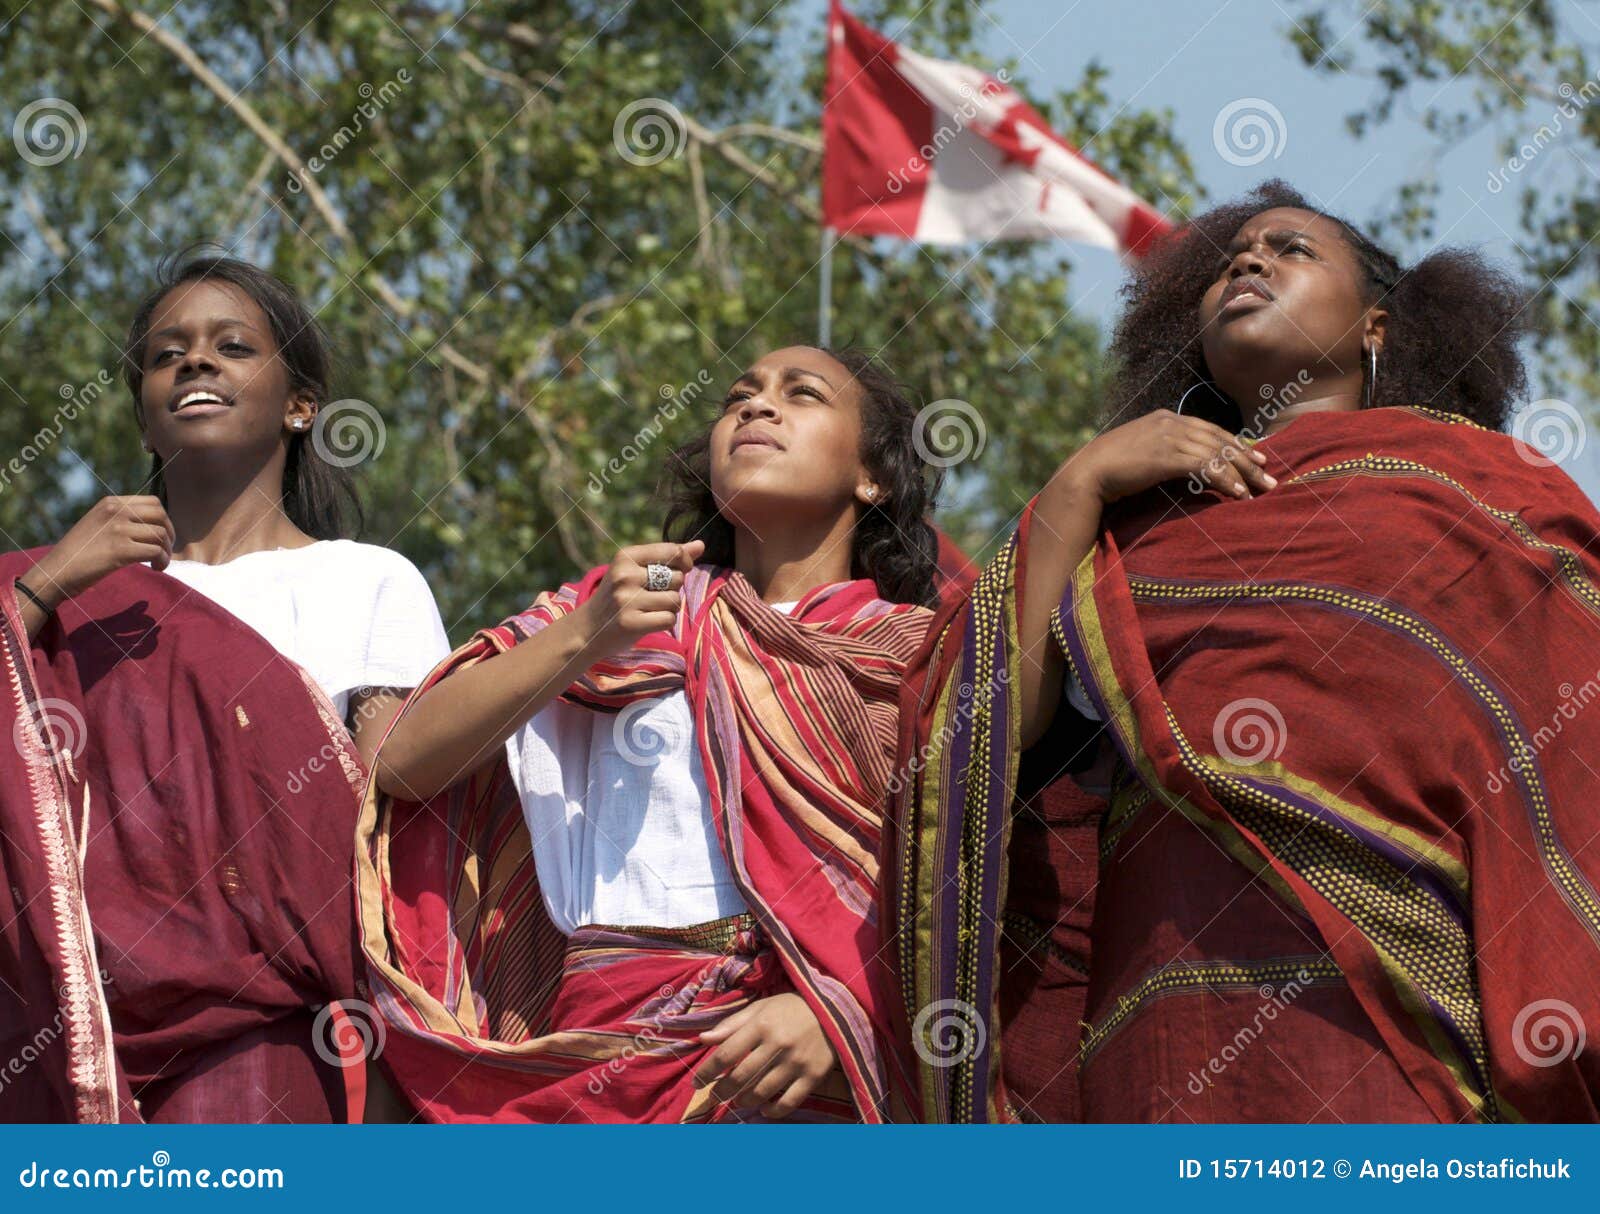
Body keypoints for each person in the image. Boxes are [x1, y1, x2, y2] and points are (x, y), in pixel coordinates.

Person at [888, 178, 1600, 1123]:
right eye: (1231, 258)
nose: (1249, 262)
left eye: (1290, 250)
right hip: (1160, 1025)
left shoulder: (1480, 488)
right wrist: (1081, 481)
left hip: (1411, 1023)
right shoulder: (1128, 523)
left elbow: (1570, 730)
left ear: (1378, 330)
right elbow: (983, 740)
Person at [363, 345, 941, 1122]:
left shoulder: (917, 653)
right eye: (740, 394)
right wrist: (586, 634)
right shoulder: (623, 609)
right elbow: (403, 762)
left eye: (801, 394)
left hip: (788, 1070)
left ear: (871, 477)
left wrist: (844, 1009)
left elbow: (956, 876)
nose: (756, 406)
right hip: (600, 1051)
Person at [0, 254, 447, 1123]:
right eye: (166, 356)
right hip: (58, 1026)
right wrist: (40, 592)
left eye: (231, 346)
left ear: (299, 404)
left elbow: (388, 821)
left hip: (267, 1027)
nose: (194, 362)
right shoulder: (66, 592)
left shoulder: (365, 581)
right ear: (143, 410)